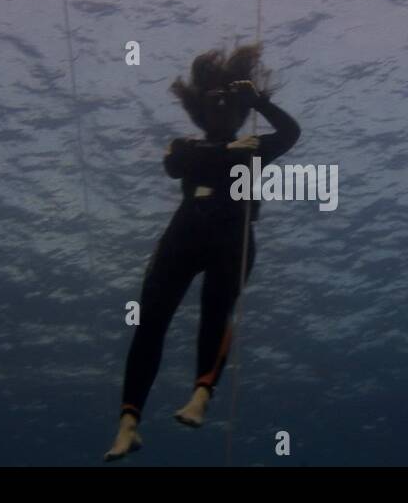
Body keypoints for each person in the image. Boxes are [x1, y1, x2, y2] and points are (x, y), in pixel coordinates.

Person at [105, 44, 300, 461]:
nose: (223, 110)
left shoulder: (253, 146)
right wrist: (230, 152)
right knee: (151, 320)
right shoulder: (187, 147)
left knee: (216, 311)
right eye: (215, 102)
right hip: (184, 235)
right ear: (200, 111)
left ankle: (200, 396)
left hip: (233, 236)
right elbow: (176, 164)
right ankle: (128, 423)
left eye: (231, 104)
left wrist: (260, 102)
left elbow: (291, 134)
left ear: (237, 110)